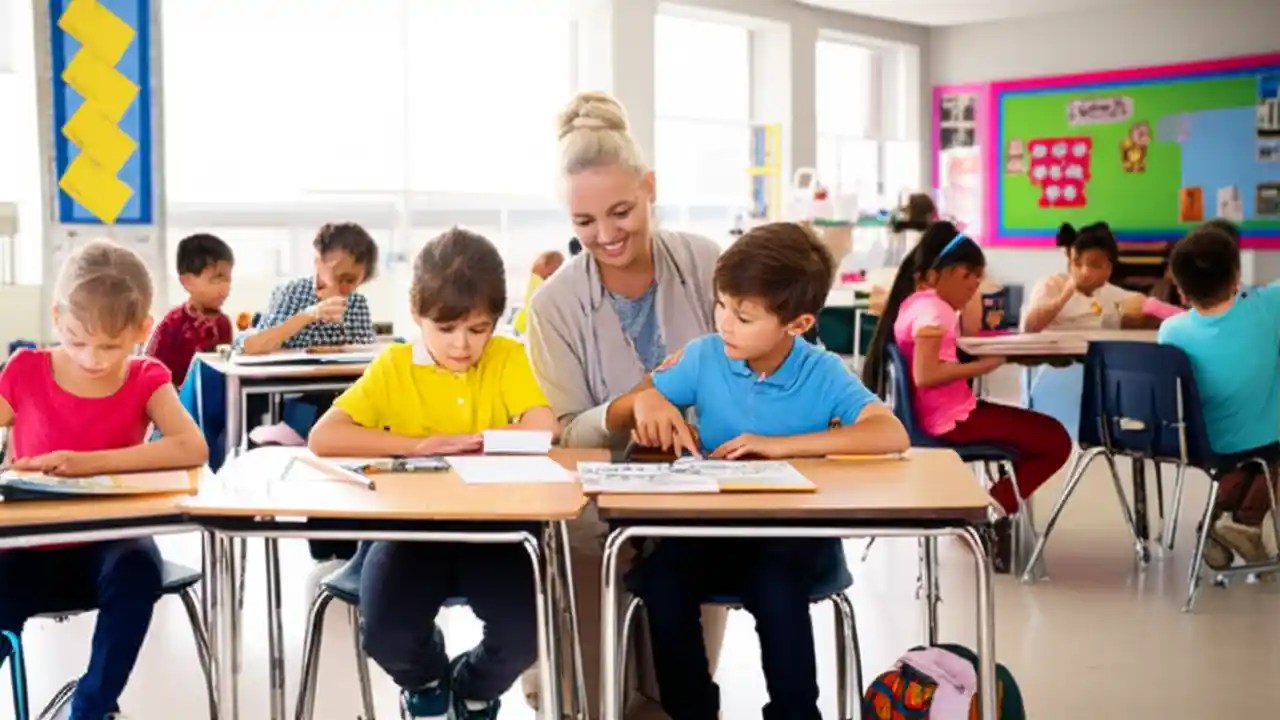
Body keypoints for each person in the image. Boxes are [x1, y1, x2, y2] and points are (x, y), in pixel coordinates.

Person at [610, 222, 908, 719]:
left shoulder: (821, 371)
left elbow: (890, 433)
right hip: (712, 529)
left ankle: (795, 713)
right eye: (721, 304)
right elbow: (646, 394)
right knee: (662, 580)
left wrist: (780, 447)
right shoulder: (706, 356)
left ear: (798, 322)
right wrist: (649, 401)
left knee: (776, 586)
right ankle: (693, 711)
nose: (725, 323)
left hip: (790, 538)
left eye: (744, 316)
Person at [522, 90, 726, 716]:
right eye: (585, 224)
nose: (606, 236)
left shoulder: (708, 263)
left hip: (701, 501)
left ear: (650, 187)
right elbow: (557, 434)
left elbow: (753, 368)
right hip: (593, 516)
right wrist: (628, 408)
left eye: (621, 212)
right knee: (587, 694)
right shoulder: (552, 305)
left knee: (677, 695)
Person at [309, 228, 557, 720]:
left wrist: (492, 440)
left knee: (525, 631)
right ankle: (425, 684)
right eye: (445, 330)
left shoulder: (506, 356)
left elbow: (542, 426)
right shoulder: (396, 365)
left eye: (479, 328)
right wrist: (417, 446)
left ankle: (473, 687)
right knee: (384, 632)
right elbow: (325, 437)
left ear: (496, 321)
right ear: (417, 314)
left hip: (495, 531)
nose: (463, 346)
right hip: (407, 532)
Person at [0, 240, 208, 720]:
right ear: (57, 318)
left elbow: (192, 446)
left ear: (142, 329)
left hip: (109, 546)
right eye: (76, 340)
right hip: (27, 550)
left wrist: (88, 462)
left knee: (139, 569)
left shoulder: (144, 377)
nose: (92, 357)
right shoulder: (26, 370)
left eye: (111, 345)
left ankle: (91, 707)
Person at [863, 221, 1072, 571]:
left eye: (979, 275)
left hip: (945, 415)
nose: (975, 283)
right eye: (967, 274)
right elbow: (926, 375)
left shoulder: (916, 304)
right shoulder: (935, 311)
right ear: (935, 275)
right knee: (1056, 439)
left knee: (1037, 435)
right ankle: (987, 512)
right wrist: (985, 367)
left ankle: (993, 512)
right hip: (952, 421)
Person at [1159, 226, 1280, 570]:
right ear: (1236, 277)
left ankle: (1215, 527)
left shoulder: (1172, 331)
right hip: (1263, 440)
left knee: (1242, 455)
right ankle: (1244, 523)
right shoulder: (1268, 307)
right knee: (1265, 451)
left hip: (1200, 446)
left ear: (1181, 291)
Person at [238, 221, 378, 355]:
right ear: (318, 262)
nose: (346, 288)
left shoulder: (356, 302)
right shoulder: (291, 294)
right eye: (341, 278)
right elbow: (252, 346)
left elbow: (365, 352)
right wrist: (310, 314)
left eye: (353, 281)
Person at [1022, 222, 1148, 332]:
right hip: (1052, 356)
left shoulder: (1113, 294)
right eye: (1077, 263)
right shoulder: (1051, 285)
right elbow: (1029, 327)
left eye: (1095, 265)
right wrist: (1064, 296)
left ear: (1109, 269)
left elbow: (1148, 306)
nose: (1085, 272)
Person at [146, 233, 234, 386]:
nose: (224, 287)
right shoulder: (173, 323)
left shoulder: (223, 323)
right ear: (187, 281)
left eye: (227, 279)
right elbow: (151, 369)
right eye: (216, 279)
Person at [512, 249, 565, 335]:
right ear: (547, 266)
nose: (559, 268)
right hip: (526, 325)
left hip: (524, 324)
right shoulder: (540, 283)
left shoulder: (538, 281)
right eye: (557, 264)